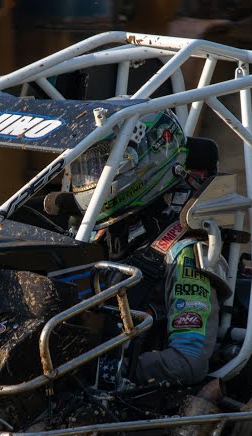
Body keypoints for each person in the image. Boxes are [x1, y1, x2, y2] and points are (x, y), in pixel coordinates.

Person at [65, 109, 229, 387]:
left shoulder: (184, 252)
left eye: (103, 164)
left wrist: (116, 369)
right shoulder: (94, 232)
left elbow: (189, 361)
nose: (93, 177)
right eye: (89, 167)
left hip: (123, 394)